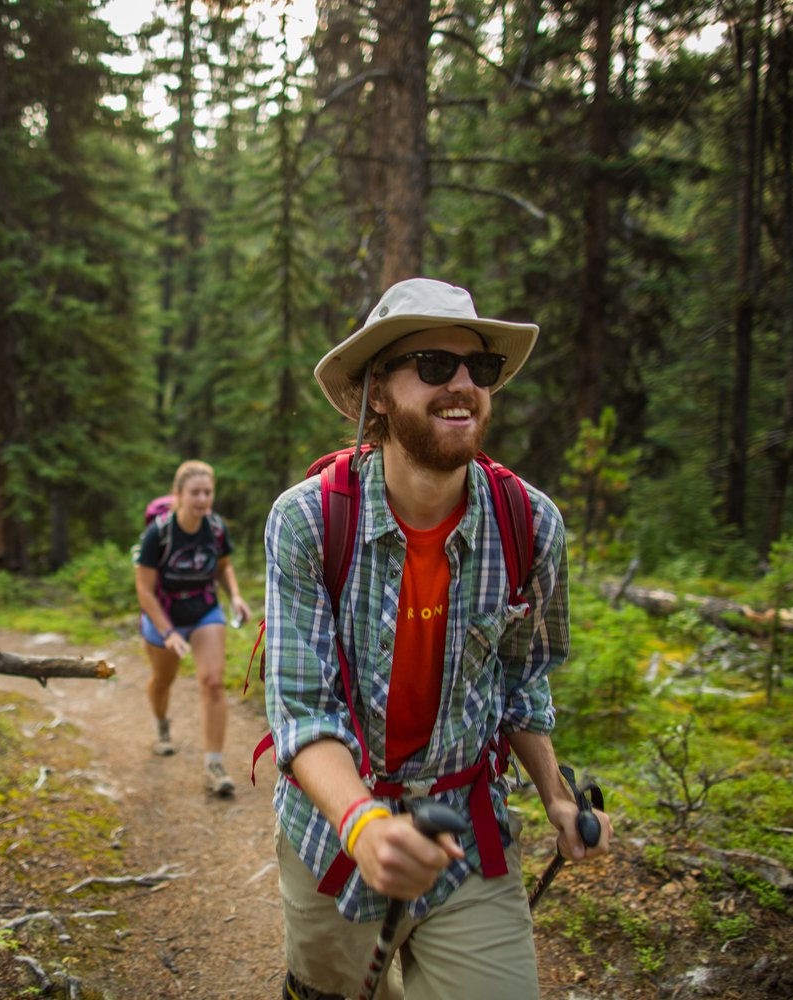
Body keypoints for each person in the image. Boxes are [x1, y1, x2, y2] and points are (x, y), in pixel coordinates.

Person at [262, 277, 612, 999]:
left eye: (478, 369)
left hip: (468, 836)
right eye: (432, 365)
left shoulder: (531, 525)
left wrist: (558, 797)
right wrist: (364, 826)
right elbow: (302, 711)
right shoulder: (306, 522)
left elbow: (521, 684)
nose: (461, 385)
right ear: (379, 393)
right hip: (332, 836)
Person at [134, 460, 253, 797]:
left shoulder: (215, 528)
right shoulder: (159, 533)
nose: (202, 499)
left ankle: (214, 765)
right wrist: (168, 632)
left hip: (204, 611)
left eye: (208, 492)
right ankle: (162, 726)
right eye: (195, 492)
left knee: (213, 683)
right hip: (164, 614)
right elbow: (144, 589)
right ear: (179, 495)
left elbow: (223, 568)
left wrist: (236, 597)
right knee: (163, 680)